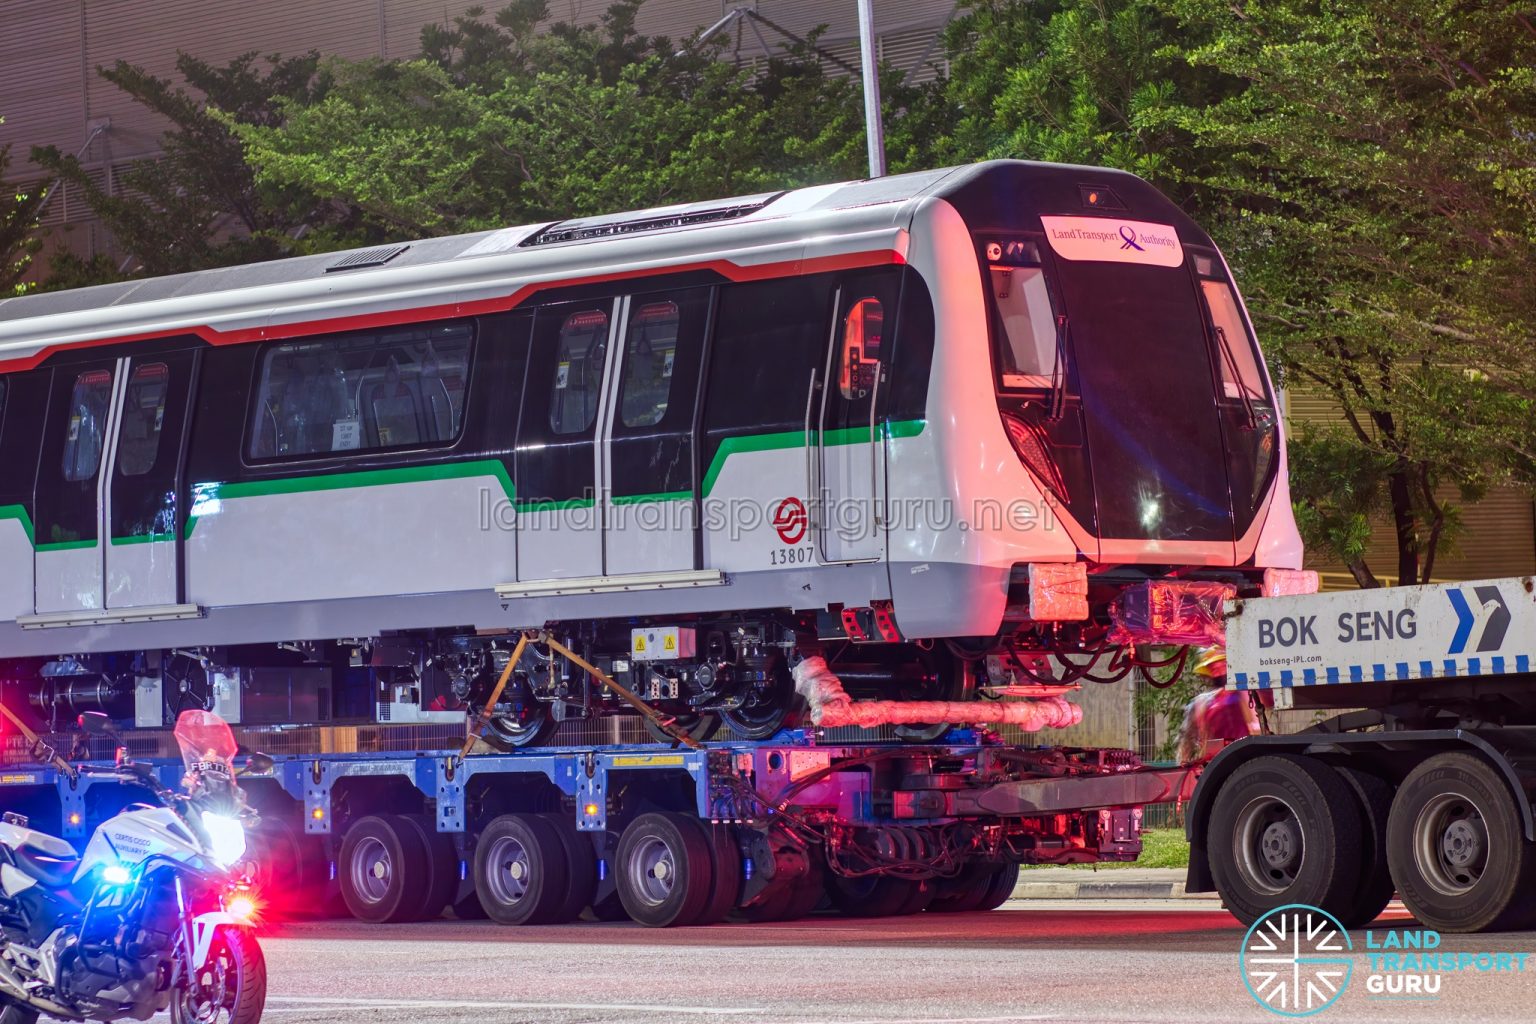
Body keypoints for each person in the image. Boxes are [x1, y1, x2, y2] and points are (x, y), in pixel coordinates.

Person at [1175, 647, 1259, 762]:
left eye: (1221, 665)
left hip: (1244, 752)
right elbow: (1189, 736)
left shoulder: (1243, 694)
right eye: (1213, 667)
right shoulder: (1202, 702)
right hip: (1216, 759)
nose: (1218, 670)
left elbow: (1255, 725)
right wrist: (1184, 760)